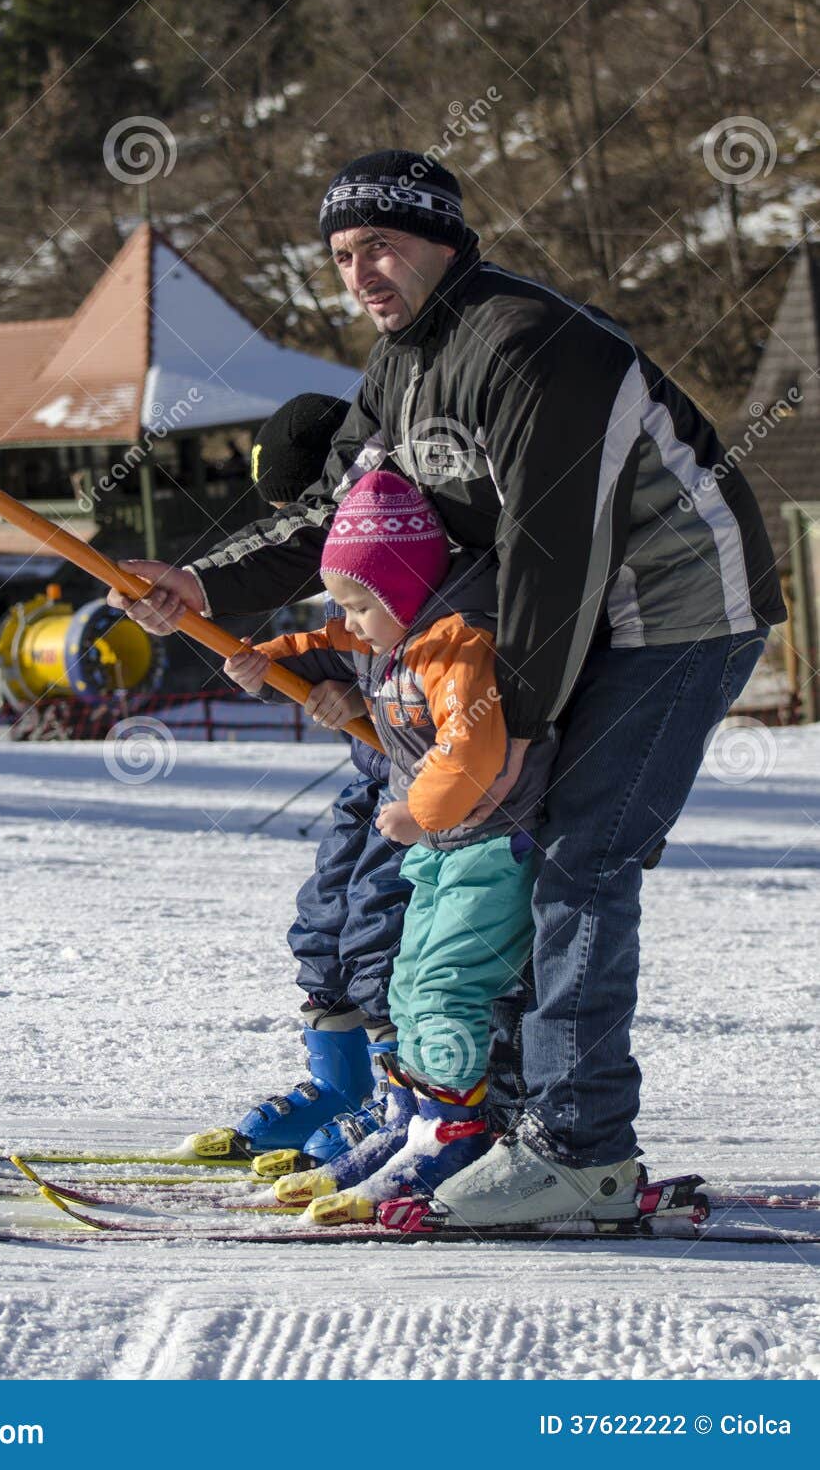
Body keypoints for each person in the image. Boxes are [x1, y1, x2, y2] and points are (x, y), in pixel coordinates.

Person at [109, 150, 784, 1228]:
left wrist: (506, 729)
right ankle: (494, 1119)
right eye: (342, 255)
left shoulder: (528, 346)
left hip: (676, 608)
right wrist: (205, 582)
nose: (359, 273)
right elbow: (337, 517)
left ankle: (580, 1147)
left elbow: (553, 556)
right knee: (516, 845)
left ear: (444, 240)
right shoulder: (398, 364)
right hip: (560, 615)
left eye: (380, 245)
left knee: (581, 851)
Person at [224, 469, 556, 1224]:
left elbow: (472, 749)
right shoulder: (389, 632)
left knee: (444, 989)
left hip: (489, 846)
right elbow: (319, 645)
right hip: (446, 847)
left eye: (359, 605)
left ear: (403, 590)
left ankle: (454, 1135)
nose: (349, 622)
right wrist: (263, 663)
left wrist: (416, 812)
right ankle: (412, 1122)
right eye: (343, 606)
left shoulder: (455, 644)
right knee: (407, 987)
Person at [187, 395, 418, 1172]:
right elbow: (325, 647)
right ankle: (340, 1088)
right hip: (370, 784)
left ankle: (403, 1100)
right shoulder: (352, 601)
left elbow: (421, 687)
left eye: (306, 512)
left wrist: (363, 706)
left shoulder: (414, 582)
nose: (306, 536)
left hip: (421, 795)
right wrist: (263, 669)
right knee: (323, 921)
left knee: (379, 933)